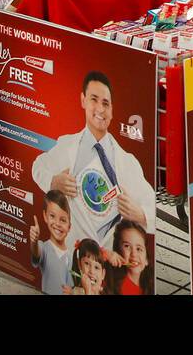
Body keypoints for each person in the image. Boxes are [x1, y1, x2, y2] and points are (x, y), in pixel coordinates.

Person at [31, 71, 156, 248]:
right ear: (83, 100)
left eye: (105, 103)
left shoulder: (127, 161)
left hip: (109, 259)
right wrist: (53, 181)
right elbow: (38, 167)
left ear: (112, 110)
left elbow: (151, 205)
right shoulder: (67, 145)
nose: (100, 109)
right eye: (93, 99)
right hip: (72, 252)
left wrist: (141, 215)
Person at [28, 190, 74, 296]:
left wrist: (72, 292)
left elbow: (70, 286)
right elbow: (36, 253)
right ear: (45, 216)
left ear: (69, 226)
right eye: (52, 216)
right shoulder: (44, 247)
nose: (57, 224)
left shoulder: (70, 257)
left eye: (63, 220)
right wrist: (34, 241)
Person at [106, 220, 152, 295]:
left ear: (146, 259)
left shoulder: (149, 288)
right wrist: (105, 253)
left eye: (139, 249)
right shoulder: (108, 283)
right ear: (118, 252)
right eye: (127, 246)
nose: (134, 254)